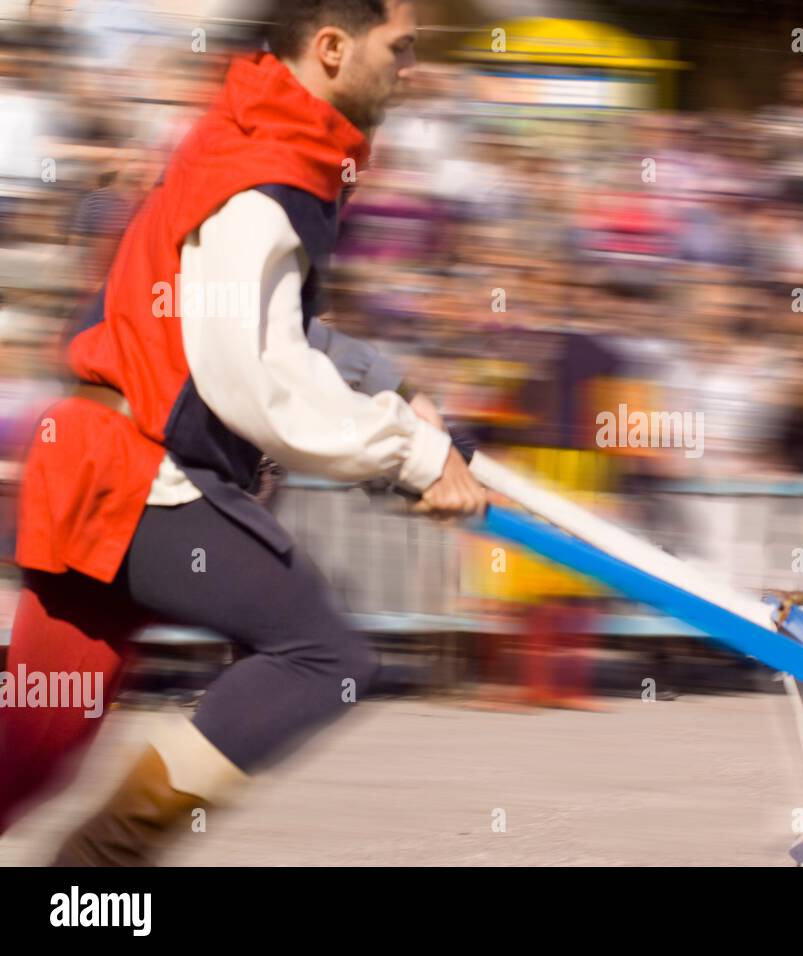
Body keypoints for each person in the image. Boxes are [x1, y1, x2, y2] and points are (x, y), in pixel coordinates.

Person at [0, 0, 487, 866]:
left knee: (29, 749)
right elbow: (254, 377)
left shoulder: (262, 138)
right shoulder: (268, 173)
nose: (413, 70)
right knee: (323, 655)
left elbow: (262, 333)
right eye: (401, 49)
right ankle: (93, 875)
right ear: (333, 47)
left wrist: (389, 385)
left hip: (105, 462)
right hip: (134, 475)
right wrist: (413, 457)